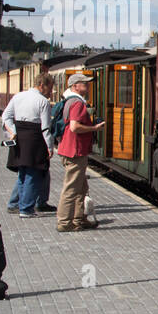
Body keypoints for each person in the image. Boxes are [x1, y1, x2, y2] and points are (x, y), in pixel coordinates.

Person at [0, 73, 56, 218]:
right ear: (42, 85)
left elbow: (5, 116)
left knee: (22, 173)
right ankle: (26, 208)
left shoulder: (18, 96)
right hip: (35, 139)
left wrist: (13, 131)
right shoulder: (42, 101)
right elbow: (45, 128)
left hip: (19, 138)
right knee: (33, 173)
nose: (50, 93)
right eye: (49, 88)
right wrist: (50, 147)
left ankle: (20, 205)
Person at [56, 73, 105, 232]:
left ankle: (80, 219)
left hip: (72, 149)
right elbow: (74, 127)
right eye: (84, 83)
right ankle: (64, 222)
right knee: (71, 189)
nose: (88, 86)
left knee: (82, 188)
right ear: (75, 85)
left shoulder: (71, 101)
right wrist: (94, 128)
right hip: (74, 150)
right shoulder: (77, 103)